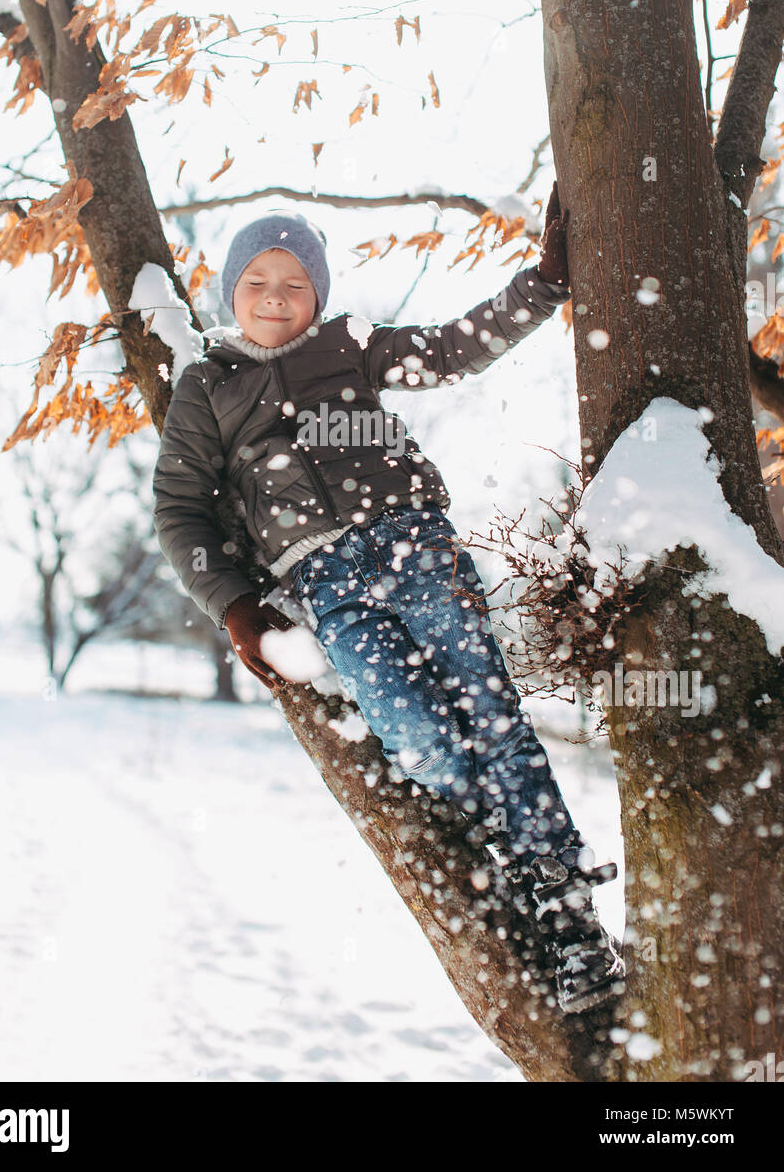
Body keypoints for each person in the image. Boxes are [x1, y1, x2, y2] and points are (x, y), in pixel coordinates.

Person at [151, 189, 624, 1012]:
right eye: (256, 279)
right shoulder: (207, 388)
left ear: (320, 297)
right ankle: (518, 866)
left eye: (294, 282)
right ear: (230, 292)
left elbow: (448, 350)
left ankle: (568, 915)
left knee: (496, 721)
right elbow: (179, 506)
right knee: (422, 743)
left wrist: (542, 284)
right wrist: (233, 604)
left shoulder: (350, 347)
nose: (274, 295)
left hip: (415, 548)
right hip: (324, 586)